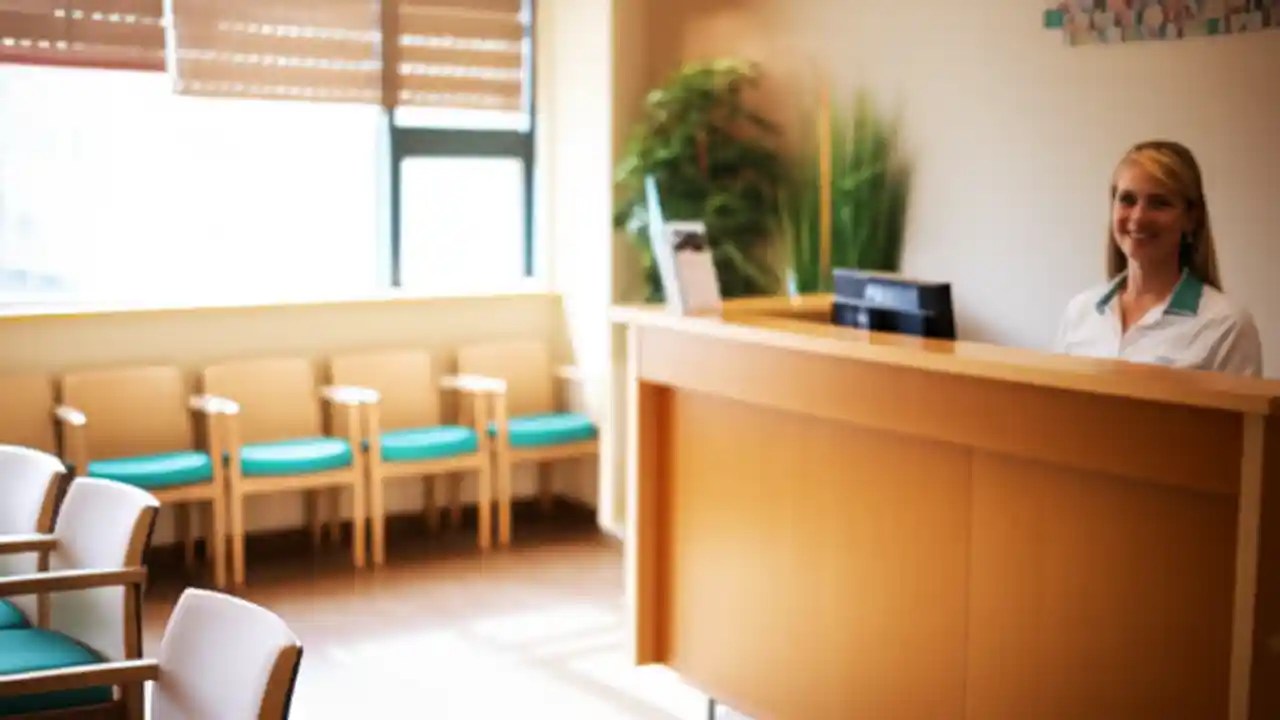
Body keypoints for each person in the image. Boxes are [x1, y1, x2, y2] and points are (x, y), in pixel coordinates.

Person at [1054, 140, 1263, 376]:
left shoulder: (1227, 326)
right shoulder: (1081, 312)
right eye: (1127, 200)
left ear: (1191, 219)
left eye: (1159, 203)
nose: (1138, 217)